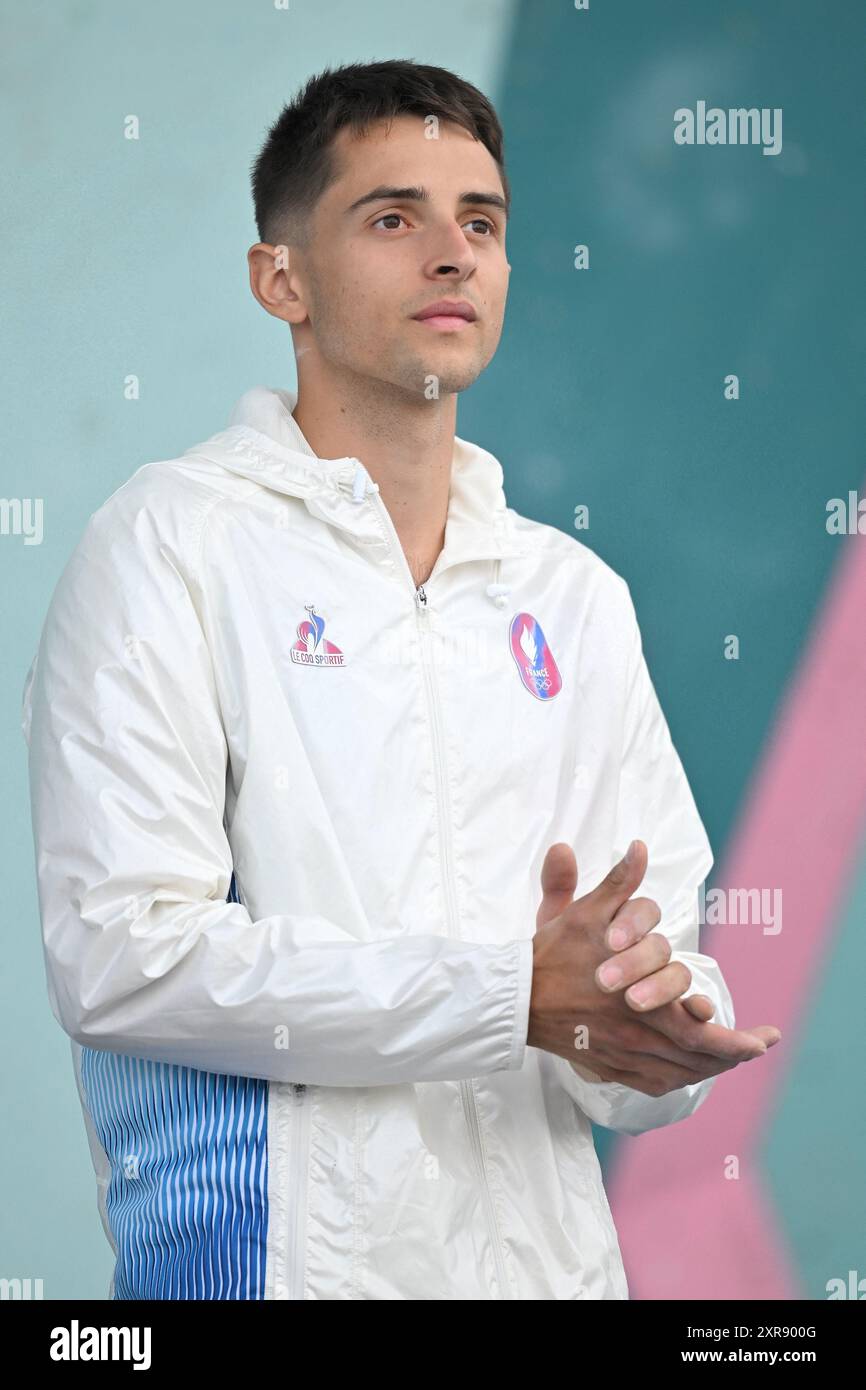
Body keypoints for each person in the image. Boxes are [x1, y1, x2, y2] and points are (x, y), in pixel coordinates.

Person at [22, 59, 780, 1302]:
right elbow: (121, 957)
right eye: (393, 217)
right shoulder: (170, 541)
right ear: (282, 280)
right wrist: (503, 995)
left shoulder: (571, 596)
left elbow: (644, 971)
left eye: (479, 222)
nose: (451, 254)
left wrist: (650, 1023)